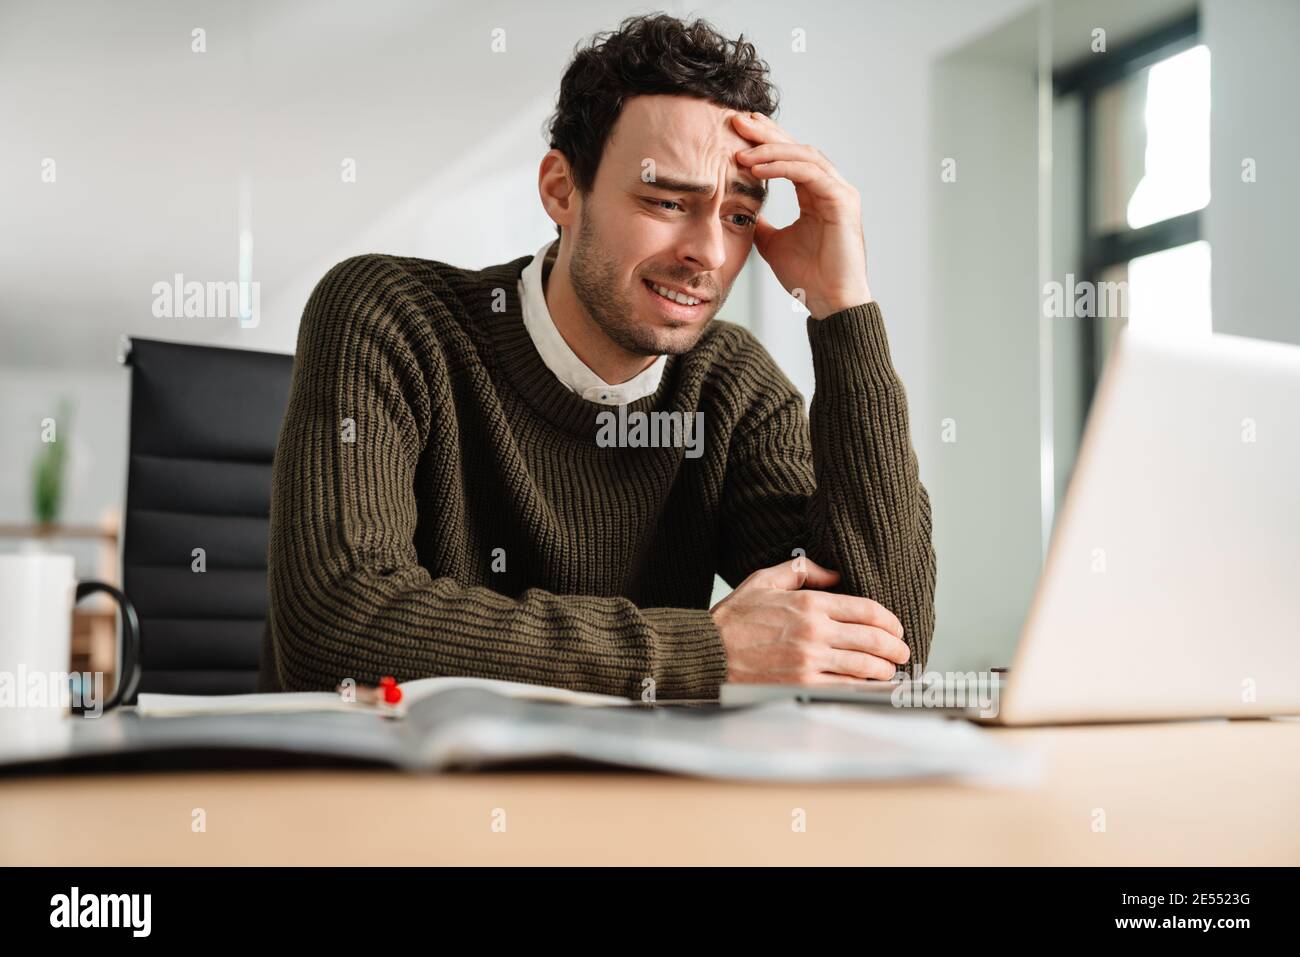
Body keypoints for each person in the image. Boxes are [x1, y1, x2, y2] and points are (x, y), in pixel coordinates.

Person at [258, 13, 935, 700]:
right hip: (389, 798)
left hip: (636, 798)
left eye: (737, 216)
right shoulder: (392, 315)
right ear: (561, 190)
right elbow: (338, 631)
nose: (707, 253)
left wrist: (843, 310)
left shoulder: (732, 385)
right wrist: (704, 650)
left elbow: (885, 650)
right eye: (668, 199)